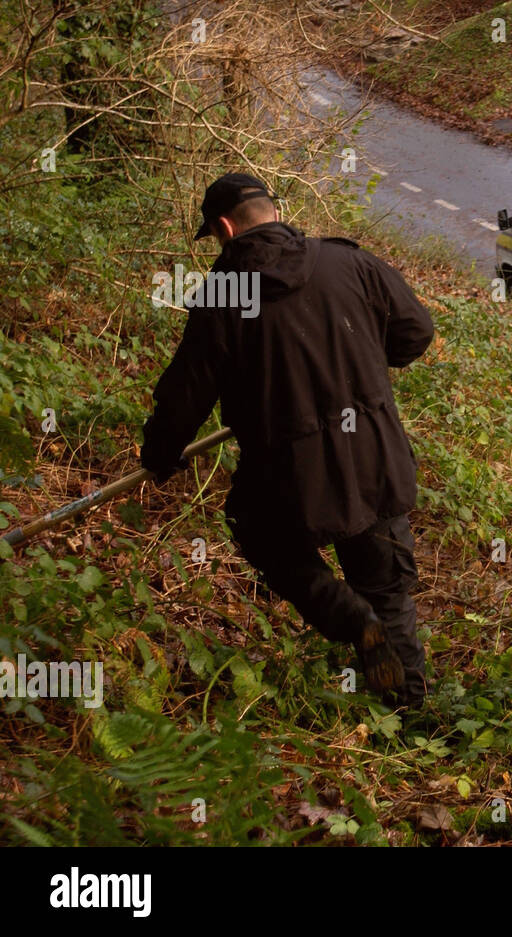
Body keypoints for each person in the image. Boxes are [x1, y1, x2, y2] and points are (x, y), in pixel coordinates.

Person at [141, 172, 434, 708]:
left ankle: (349, 617)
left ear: (225, 228)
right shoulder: (351, 263)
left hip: (289, 477)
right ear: (274, 212)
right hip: (375, 461)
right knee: (388, 588)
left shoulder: (225, 296)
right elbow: (416, 330)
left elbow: (186, 394)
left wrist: (161, 454)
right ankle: (405, 712)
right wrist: (368, 361)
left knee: (260, 534)